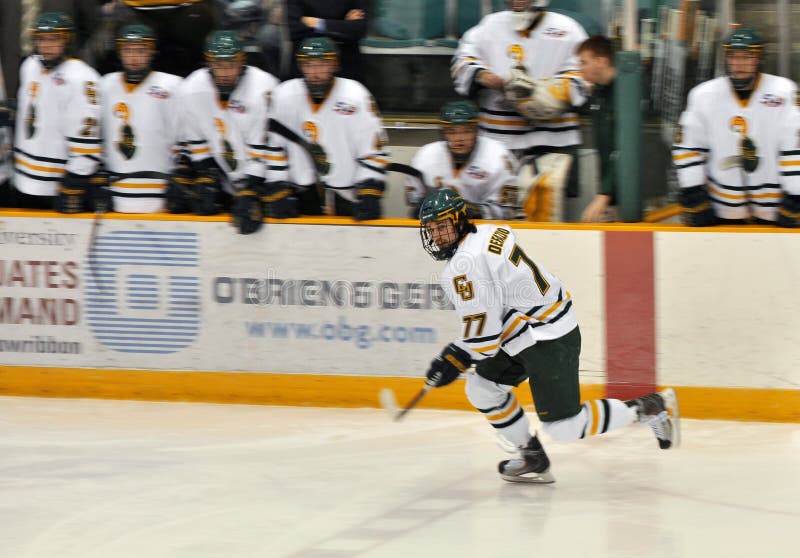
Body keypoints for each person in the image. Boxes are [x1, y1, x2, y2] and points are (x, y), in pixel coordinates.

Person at [418, 188, 679, 483]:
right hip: (528, 328)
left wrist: (455, 358)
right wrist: (459, 353)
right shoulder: (490, 230)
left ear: (460, 221)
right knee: (481, 387)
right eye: (431, 229)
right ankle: (532, 457)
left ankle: (650, 407)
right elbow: (492, 314)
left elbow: (485, 337)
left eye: (443, 226)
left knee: (564, 427)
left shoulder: (460, 268)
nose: (437, 235)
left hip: (548, 336)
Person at [451, 0, 589, 205]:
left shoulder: (567, 29)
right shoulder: (489, 25)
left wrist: (548, 94)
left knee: (549, 217)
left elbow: (585, 76)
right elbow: (461, 62)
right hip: (499, 143)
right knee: (499, 209)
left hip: (553, 143)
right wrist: (485, 77)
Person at [672, 27, 800, 227]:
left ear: (759, 58)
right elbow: (688, 147)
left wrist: (796, 194)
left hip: (774, 210)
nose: (739, 64)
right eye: (733, 56)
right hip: (721, 208)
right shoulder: (704, 95)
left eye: (747, 56)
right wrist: (692, 190)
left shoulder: (783, 93)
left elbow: (794, 147)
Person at [267, 36, 388, 220]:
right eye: (309, 65)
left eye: (322, 64)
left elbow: (374, 150)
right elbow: (275, 148)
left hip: (350, 199)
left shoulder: (356, 95)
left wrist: (369, 192)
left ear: (334, 65)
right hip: (301, 198)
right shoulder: (284, 96)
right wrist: (277, 187)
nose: (315, 72)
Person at [171, 30, 278, 229]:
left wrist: (252, 189)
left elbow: (269, 149)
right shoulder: (191, 89)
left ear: (242, 62)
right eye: (219, 65)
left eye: (231, 65)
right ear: (209, 64)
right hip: (228, 182)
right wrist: (206, 178)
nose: (226, 72)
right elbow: (198, 143)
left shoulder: (264, 88)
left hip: (269, 180)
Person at [13, 12, 103, 211]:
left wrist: (77, 177)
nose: (47, 45)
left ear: (67, 40)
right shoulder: (29, 65)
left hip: (57, 185)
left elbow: (87, 132)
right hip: (22, 179)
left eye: (54, 38)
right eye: (42, 39)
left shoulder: (82, 77)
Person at [99, 24, 182, 213]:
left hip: (159, 192)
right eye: (128, 51)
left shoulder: (172, 86)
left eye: (141, 50)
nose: (134, 57)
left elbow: (182, 138)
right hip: (115, 192)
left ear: (152, 52)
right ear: (119, 53)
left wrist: (180, 176)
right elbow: (97, 137)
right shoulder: (104, 85)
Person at [406, 100, 519, 220]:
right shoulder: (425, 156)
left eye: (467, 131)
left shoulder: (499, 156)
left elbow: (508, 209)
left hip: (485, 231)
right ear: (443, 133)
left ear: (476, 131)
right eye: (452, 131)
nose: (459, 138)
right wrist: (423, 207)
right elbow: (413, 201)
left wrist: (475, 211)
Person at [577, 35, 618, 223]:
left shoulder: (624, 94)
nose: (580, 69)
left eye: (584, 62)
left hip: (629, 195)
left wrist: (604, 195)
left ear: (601, 62)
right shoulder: (598, 93)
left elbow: (622, 150)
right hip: (611, 196)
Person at [286, 0, 367, 83]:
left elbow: (359, 29)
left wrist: (318, 23)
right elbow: (294, 29)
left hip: (347, 69)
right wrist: (344, 25)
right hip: (306, 69)